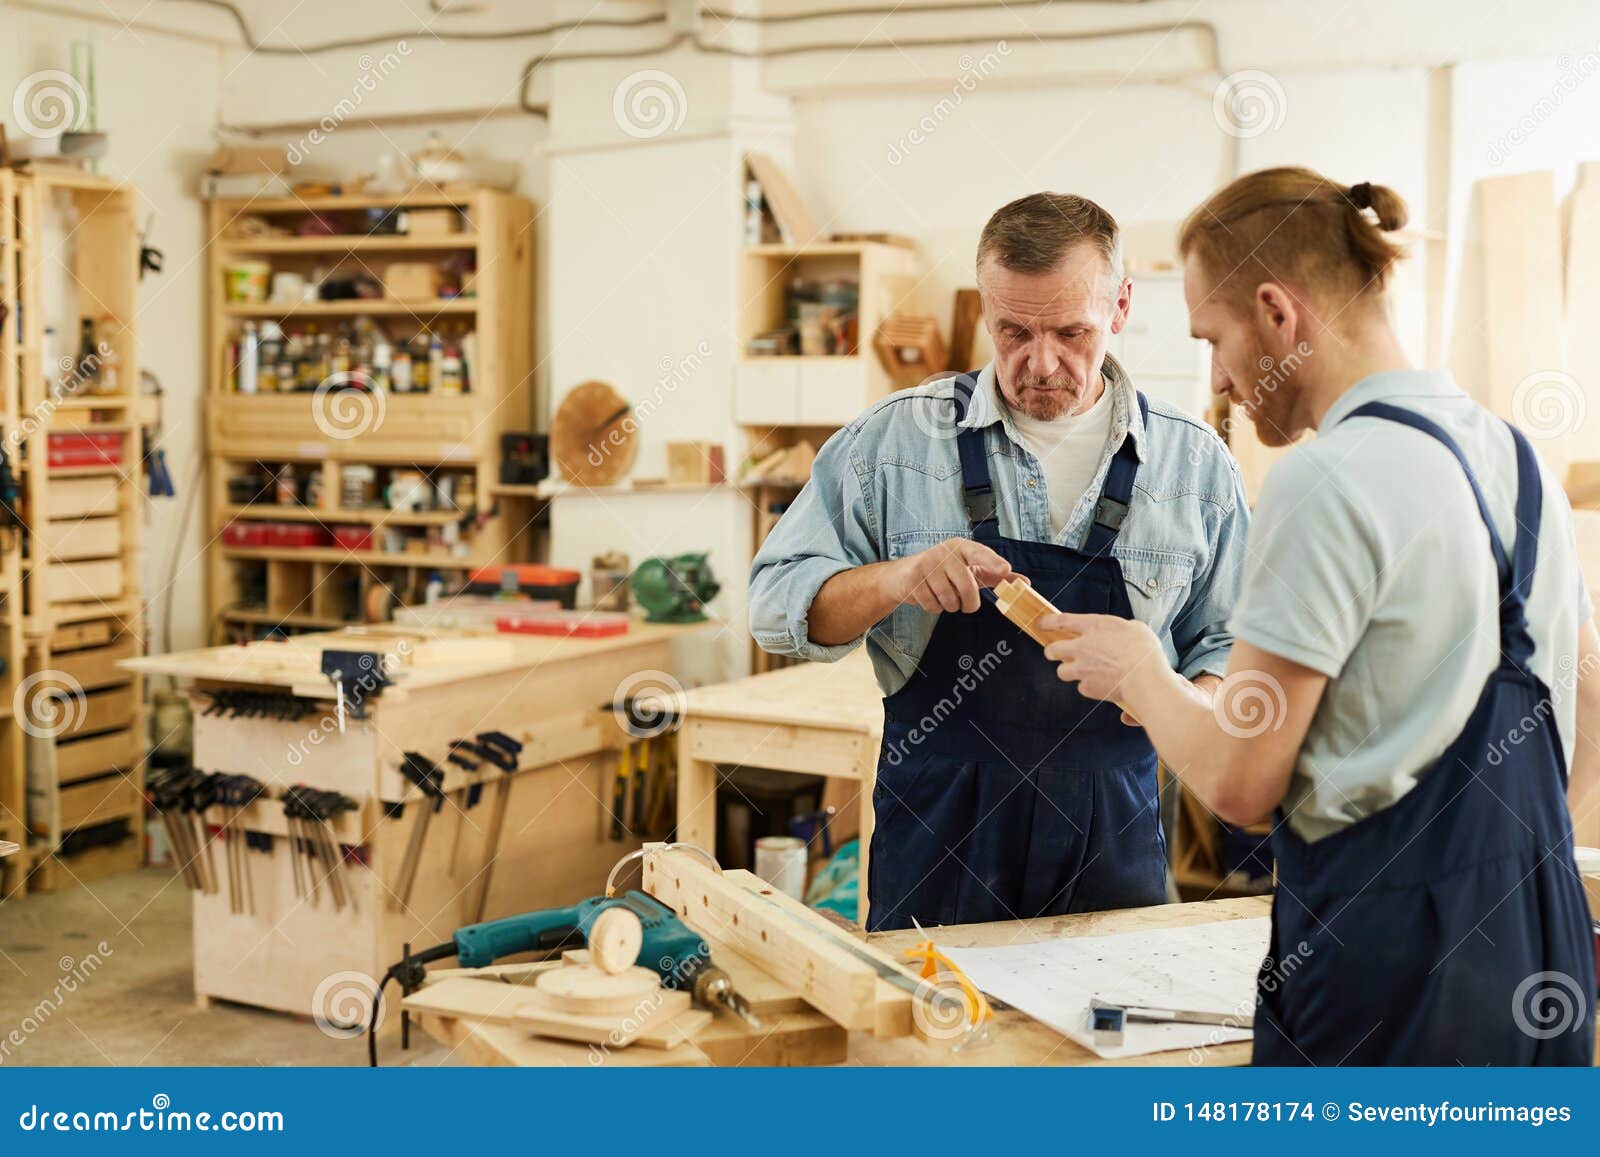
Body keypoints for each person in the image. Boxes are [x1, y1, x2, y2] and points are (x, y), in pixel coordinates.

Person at [1044, 166, 1598, 1064]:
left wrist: (1143, 675)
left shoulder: (1324, 479)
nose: (1218, 381)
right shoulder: (1515, 458)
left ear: (1276, 312)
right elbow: (1593, 703)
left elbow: (1240, 782)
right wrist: (1501, 882)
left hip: (1389, 979)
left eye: (1213, 340)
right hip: (1545, 957)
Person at [748, 192, 1250, 932]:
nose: (1040, 362)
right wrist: (896, 579)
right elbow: (772, 608)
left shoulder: (1195, 467)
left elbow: (1233, 646)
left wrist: (1174, 692)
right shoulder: (895, 444)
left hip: (1111, 841)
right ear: (984, 309)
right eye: (1013, 330)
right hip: (940, 844)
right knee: (928, 1042)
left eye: (1071, 332)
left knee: (1103, 1037)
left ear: (1120, 309)